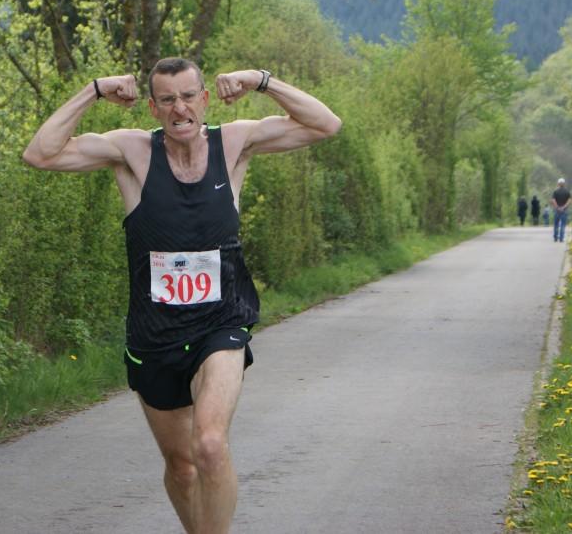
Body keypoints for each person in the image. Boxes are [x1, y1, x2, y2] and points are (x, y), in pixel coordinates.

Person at [22, 58, 340, 533]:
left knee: (209, 445)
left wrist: (260, 82)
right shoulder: (131, 151)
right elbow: (40, 154)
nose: (180, 108)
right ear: (153, 107)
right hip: (155, 337)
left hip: (221, 324)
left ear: (204, 100)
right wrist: (92, 90)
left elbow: (325, 124)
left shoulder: (233, 142)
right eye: (168, 99)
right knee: (183, 466)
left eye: (189, 95)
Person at [551, 178, 572, 242]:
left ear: (558, 184)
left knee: (556, 224)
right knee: (563, 225)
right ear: (564, 184)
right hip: (564, 210)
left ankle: (555, 237)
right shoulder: (567, 192)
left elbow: (553, 200)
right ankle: (561, 238)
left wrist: (557, 207)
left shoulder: (555, 191)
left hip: (557, 210)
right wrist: (563, 207)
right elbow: (569, 200)